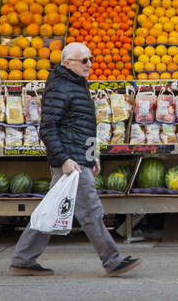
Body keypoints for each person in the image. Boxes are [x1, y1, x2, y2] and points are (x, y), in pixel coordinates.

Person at [9, 42, 141, 277]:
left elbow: (83, 126)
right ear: (68, 63)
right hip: (71, 162)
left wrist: (92, 156)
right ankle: (112, 261)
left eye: (91, 59)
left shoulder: (77, 85)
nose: (89, 64)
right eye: (84, 60)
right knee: (91, 211)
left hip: (79, 158)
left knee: (51, 208)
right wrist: (64, 160)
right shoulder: (60, 88)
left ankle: (23, 258)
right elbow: (48, 128)